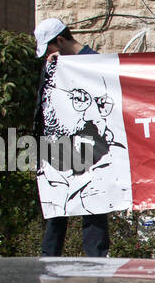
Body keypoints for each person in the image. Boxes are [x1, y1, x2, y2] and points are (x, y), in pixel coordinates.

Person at [33, 17, 110, 258]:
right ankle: (49, 262)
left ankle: (97, 265)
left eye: (50, 48)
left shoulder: (95, 62)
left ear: (61, 40)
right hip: (57, 146)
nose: (48, 55)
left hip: (91, 145)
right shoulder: (54, 65)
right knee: (57, 207)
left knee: (93, 206)